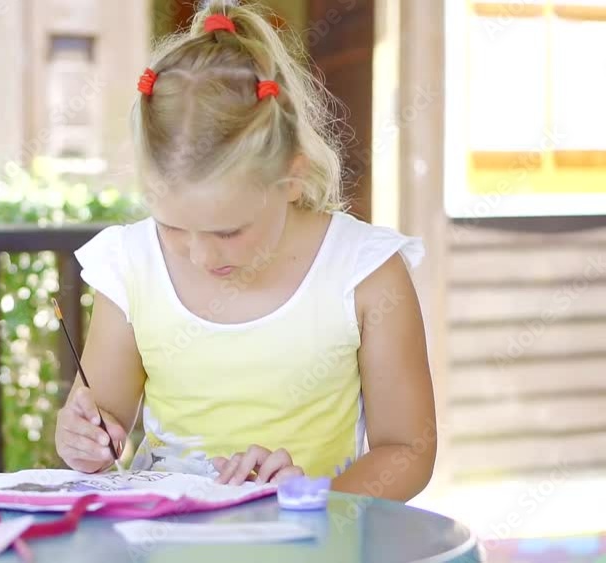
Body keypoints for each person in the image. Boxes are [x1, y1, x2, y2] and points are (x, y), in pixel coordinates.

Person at [53, 0, 436, 502]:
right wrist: (83, 440)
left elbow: (407, 449)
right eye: (172, 227)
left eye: (229, 232)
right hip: (166, 535)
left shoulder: (365, 272)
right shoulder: (131, 264)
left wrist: (313, 499)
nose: (201, 257)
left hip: (313, 537)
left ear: (292, 177)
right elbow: (106, 428)